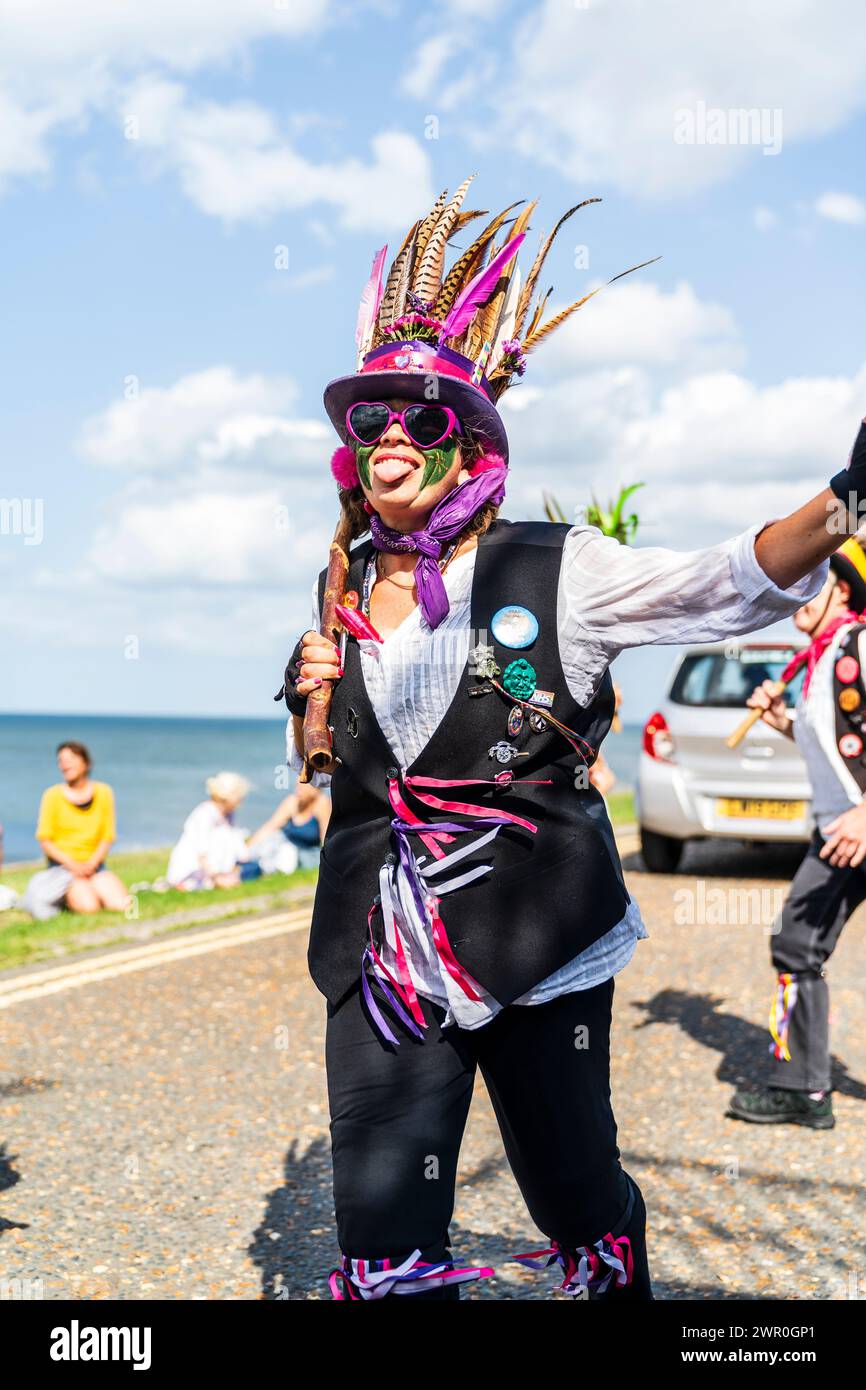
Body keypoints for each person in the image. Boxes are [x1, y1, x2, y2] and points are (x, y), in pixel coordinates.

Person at [277, 177, 864, 1301]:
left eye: (422, 417)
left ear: (472, 443)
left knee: (574, 1190)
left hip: (535, 936)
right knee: (382, 1225)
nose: (390, 434)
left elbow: (721, 585)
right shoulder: (338, 578)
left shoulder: (561, 569)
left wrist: (846, 501)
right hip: (383, 948)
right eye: (370, 418)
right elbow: (340, 759)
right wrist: (311, 695)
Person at [729, 536, 866, 1131]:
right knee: (795, 946)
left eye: (814, 583)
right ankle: (804, 1089)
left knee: (795, 946)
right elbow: (837, 746)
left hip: (856, 827)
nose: (799, 598)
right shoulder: (819, 657)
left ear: (842, 587)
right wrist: (786, 723)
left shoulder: (858, 644)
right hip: (838, 831)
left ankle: (803, 1087)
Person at [34, 741, 129, 914]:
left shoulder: (104, 792)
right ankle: (67, 899)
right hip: (64, 869)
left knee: (126, 906)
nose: (65, 763)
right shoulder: (52, 795)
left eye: (70, 758)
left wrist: (92, 864)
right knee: (90, 907)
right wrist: (74, 866)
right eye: (61, 760)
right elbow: (45, 841)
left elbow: (107, 836)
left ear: (86, 763)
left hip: (96, 866)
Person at [167, 772, 259, 890]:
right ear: (229, 796)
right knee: (223, 835)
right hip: (196, 869)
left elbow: (238, 846)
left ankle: (228, 876)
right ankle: (210, 881)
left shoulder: (228, 815)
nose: (241, 800)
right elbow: (201, 852)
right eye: (239, 796)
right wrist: (216, 877)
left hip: (216, 867)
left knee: (253, 867)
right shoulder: (205, 813)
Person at [247, 781, 330, 865]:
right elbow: (270, 827)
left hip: (306, 854)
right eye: (297, 787)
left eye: (301, 787)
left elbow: (326, 837)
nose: (297, 790)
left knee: (284, 856)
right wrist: (249, 846)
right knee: (267, 847)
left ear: (314, 789)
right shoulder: (292, 801)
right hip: (284, 847)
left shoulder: (321, 803)